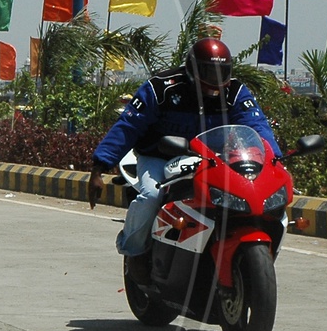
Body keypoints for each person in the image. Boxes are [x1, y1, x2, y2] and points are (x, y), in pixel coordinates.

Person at [87, 37, 282, 272]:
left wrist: (271, 161)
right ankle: (134, 252)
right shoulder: (161, 88)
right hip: (160, 157)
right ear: (191, 69)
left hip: (214, 161)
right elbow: (127, 127)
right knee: (150, 196)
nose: (216, 80)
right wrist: (99, 167)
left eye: (222, 72)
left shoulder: (236, 92)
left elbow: (257, 127)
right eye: (209, 72)